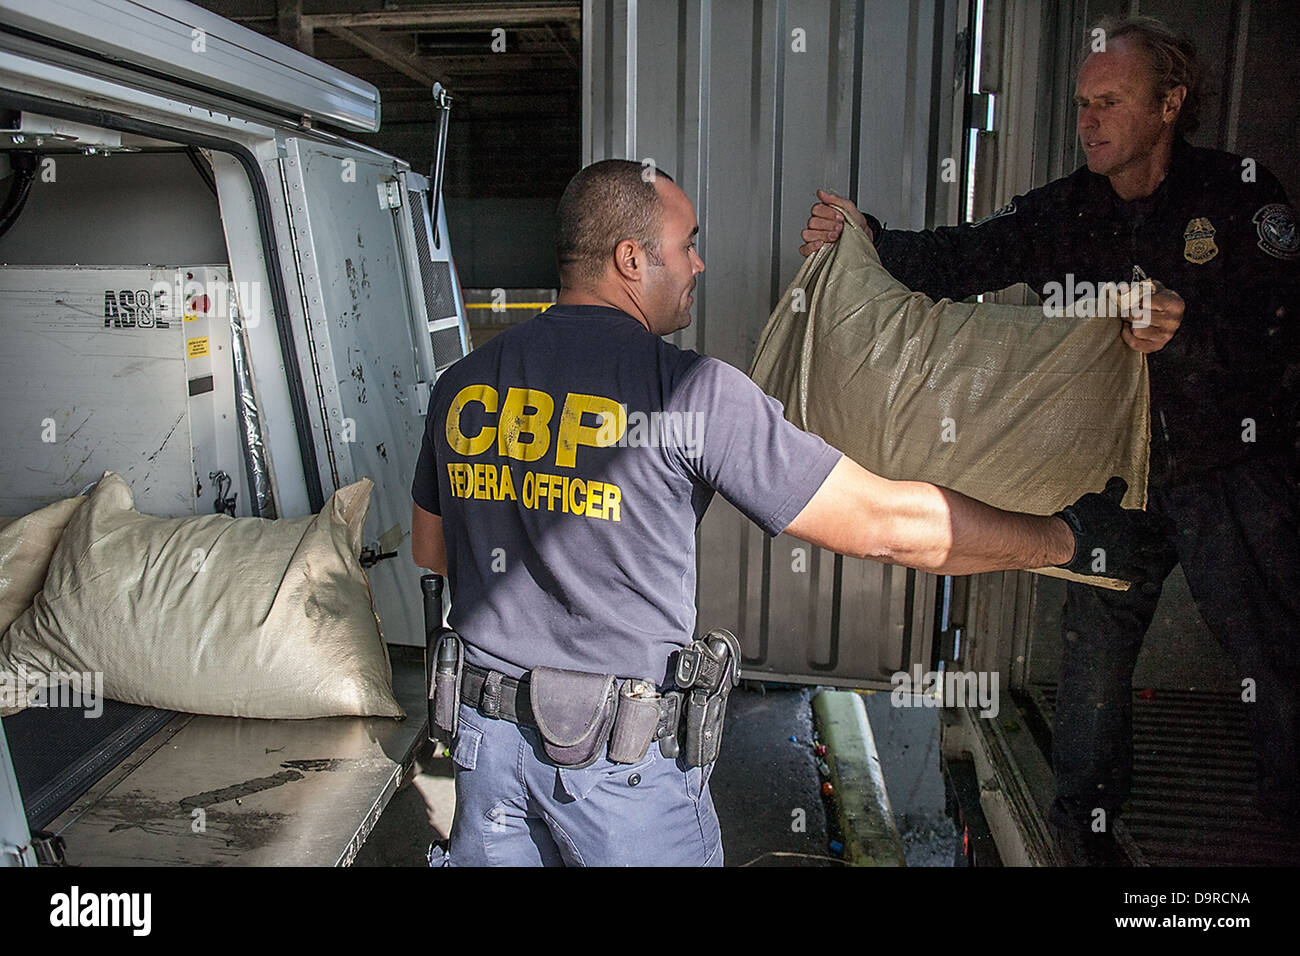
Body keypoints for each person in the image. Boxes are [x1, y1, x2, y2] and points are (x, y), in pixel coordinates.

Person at [411, 158, 1172, 868]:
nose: (700, 265)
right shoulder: (691, 392)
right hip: (617, 779)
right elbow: (884, 524)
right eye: (688, 246)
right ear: (631, 260)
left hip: (486, 755)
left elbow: (433, 551)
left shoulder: (465, 384)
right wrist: (1067, 540)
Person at [801, 14, 1300, 864]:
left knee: (1271, 655)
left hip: (1231, 473)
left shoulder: (1241, 197)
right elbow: (961, 258)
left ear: (1170, 103)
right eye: (1081, 105)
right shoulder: (1070, 210)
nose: (1089, 121)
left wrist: (1191, 326)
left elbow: (1285, 335)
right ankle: (1084, 836)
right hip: (1118, 483)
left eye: (1110, 102)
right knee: (1095, 665)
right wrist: (867, 237)